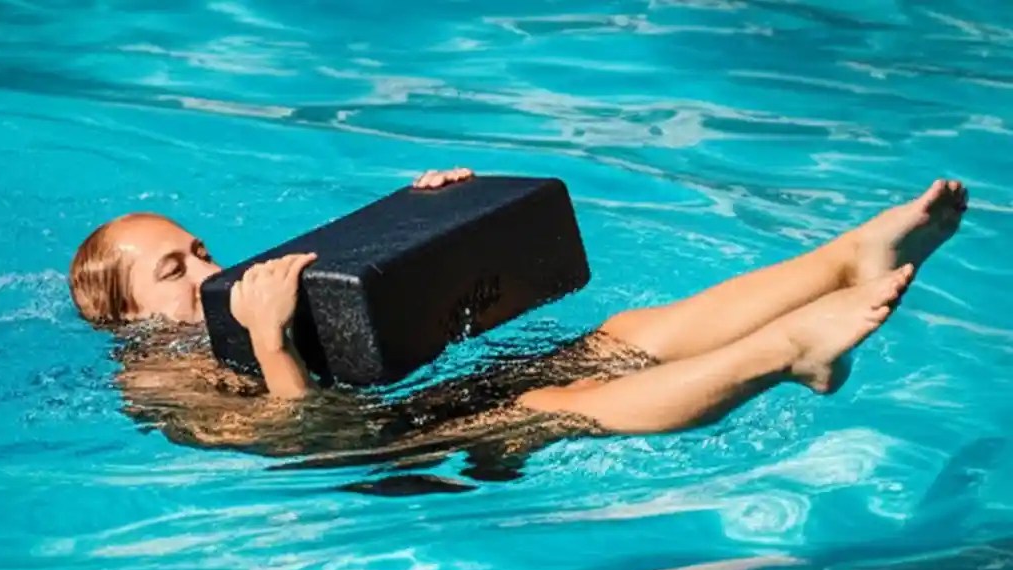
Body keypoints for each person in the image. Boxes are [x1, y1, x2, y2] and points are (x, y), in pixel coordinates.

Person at [68, 169, 968, 492]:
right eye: (172, 270)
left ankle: (848, 257)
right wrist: (269, 342)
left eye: (197, 248)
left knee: (625, 329)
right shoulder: (154, 381)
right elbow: (308, 445)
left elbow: (378, 304)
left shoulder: (254, 290)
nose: (205, 268)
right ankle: (787, 353)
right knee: (557, 397)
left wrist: (422, 221)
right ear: (123, 313)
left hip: (422, 401)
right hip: (387, 460)